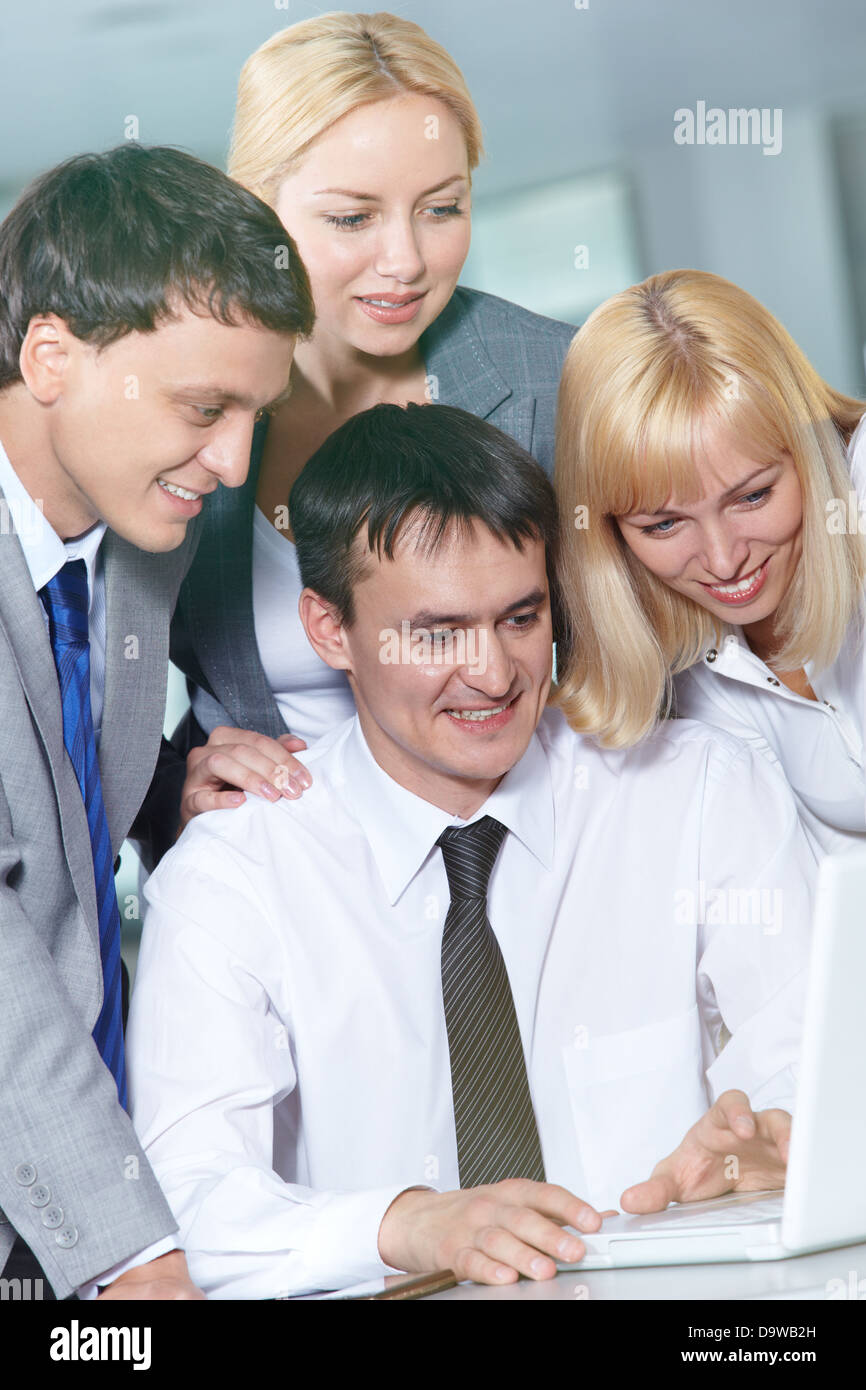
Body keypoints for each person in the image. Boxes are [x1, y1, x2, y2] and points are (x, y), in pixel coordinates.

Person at [127, 403, 813, 1299]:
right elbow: (191, 1198)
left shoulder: (700, 791)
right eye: (438, 633)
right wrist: (412, 1222)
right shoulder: (235, 875)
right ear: (329, 630)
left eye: (521, 618)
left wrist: (780, 1137)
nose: (492, 673)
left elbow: (812, 1061)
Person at [141, 11, 577, 862]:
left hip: (536, 869)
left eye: (441, 208)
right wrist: (171, 796)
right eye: (352, 219)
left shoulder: (557, 381)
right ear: (255, 210)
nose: (406, 261)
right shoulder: (177, 405)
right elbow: (77, 682)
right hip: (289, 888)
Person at [0, 142, 313, 1301]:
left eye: (252, 413)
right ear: (51, 356)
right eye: (202, 408)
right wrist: (135, 1256)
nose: (232, 462)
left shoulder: (136, 537)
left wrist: (157, 785)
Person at [553, 268, 866, 857]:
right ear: (610, 533)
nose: (724, 561)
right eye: (663, 524)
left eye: (752, 497)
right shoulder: (694, 674)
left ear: (806, 449)